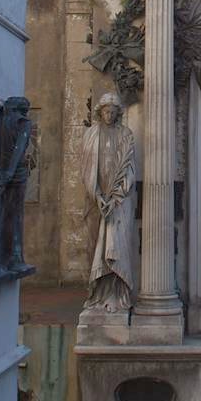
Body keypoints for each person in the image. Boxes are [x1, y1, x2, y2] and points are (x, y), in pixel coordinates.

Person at [79, 92, 136, 311]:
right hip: (96, 202)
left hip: (119, 203)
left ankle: (118, 295)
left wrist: (116, 197)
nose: (110, 115)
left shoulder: (125, 135)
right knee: (96, 248)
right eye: (106, 111)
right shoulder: (91, 135)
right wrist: (99, 196)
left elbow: (130, 169)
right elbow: (86, 170)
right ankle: (97, 296)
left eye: (113, 112)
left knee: (118, 247)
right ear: (100, 112)